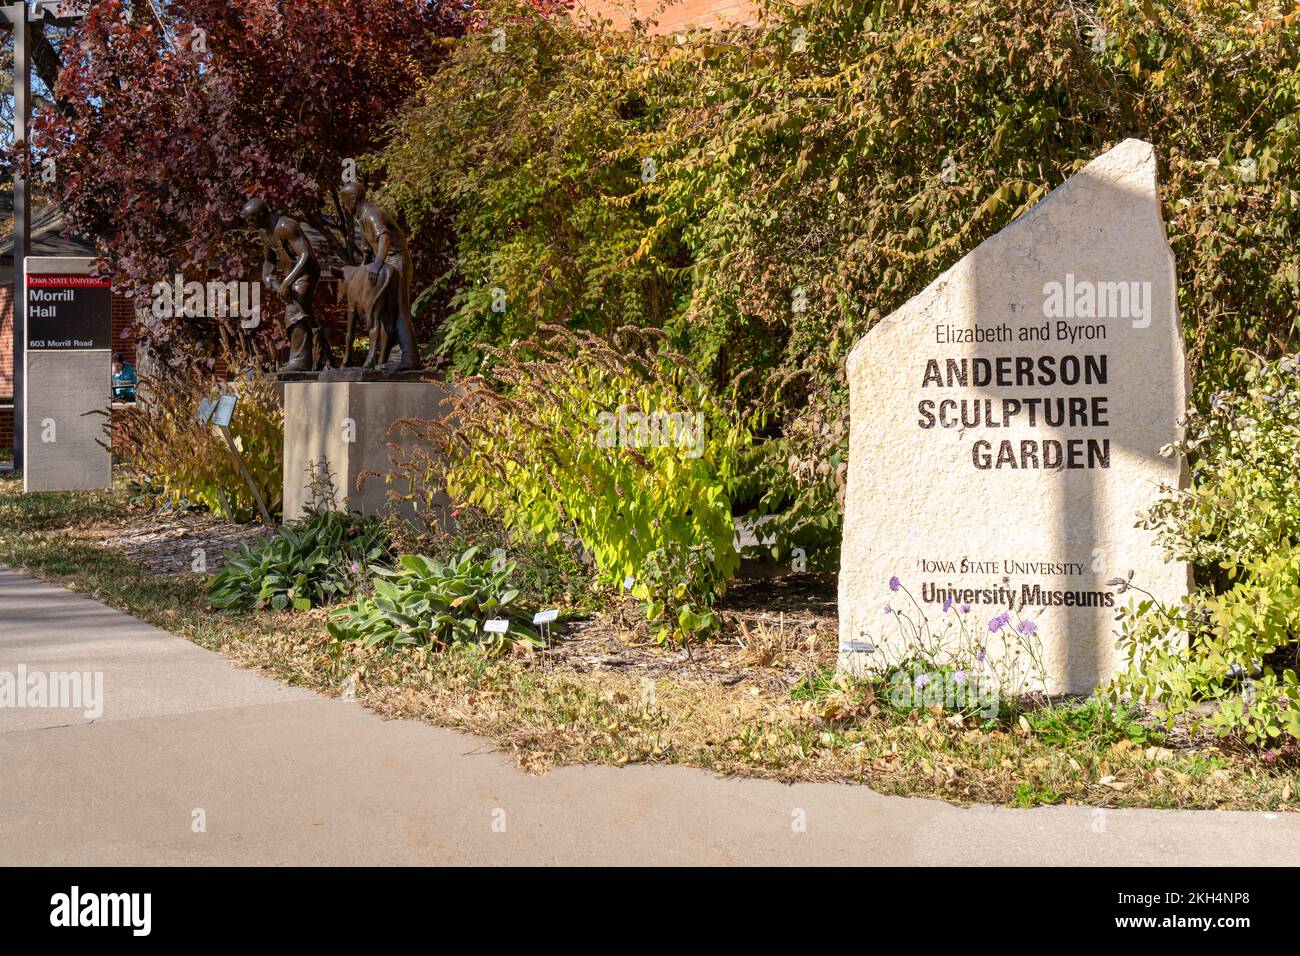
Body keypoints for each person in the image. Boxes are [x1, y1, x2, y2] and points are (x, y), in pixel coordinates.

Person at [240, 197, 332, 372]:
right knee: (305, 315)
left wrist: (287, 282)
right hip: (290, 277)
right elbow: (269, 260)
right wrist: (266, 275)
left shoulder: (286, 226)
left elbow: (306, 255)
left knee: (294, 311)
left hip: (306, 272)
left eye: (249, 219)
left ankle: (300, 361)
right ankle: (323, 354)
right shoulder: (264, 232)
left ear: (260, 214)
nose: (248, 222)